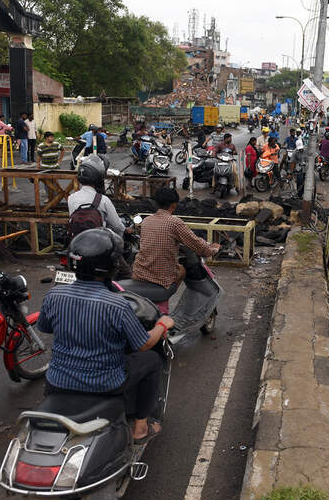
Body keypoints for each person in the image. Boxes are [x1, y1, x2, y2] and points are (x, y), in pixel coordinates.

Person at [38, 229, 173, 443]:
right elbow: (144, 344)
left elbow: (46, 327)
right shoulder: (117, 305)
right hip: (105, 381)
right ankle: (140, 427)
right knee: (152, 360)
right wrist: (162, 326)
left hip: (57, 380)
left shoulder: (54, 295)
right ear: (111, 266)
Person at [132, 188, 220, 294]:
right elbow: (198, 245)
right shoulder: (175, 223)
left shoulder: (146, 221)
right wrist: (213, 249)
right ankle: (166, 295)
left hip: (139, 272)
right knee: (182, 270)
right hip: (161, 278)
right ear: (174, 205)